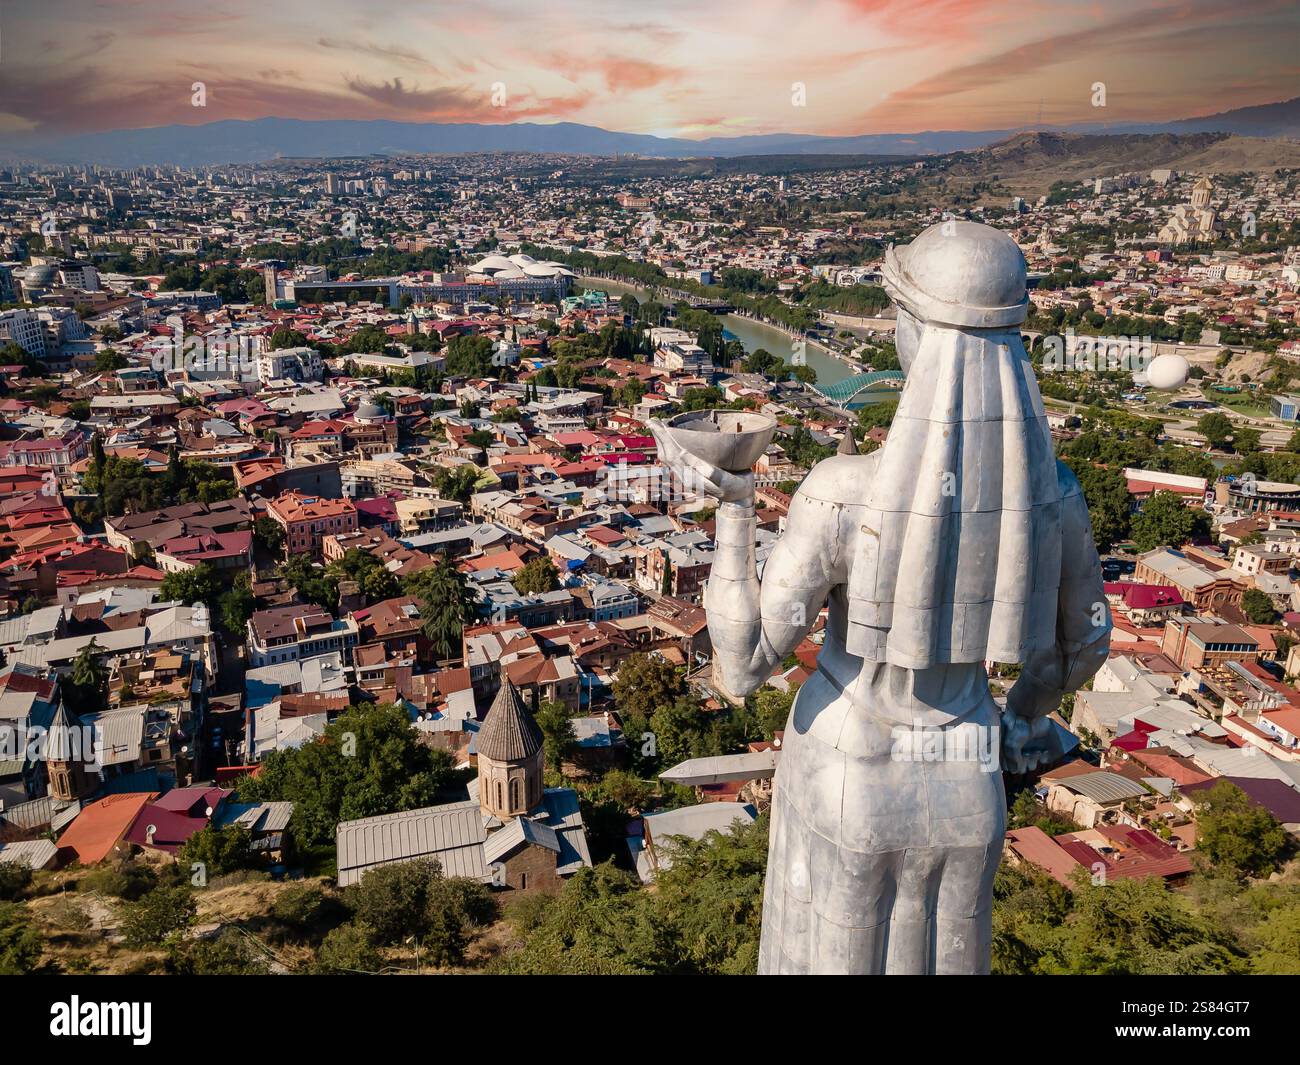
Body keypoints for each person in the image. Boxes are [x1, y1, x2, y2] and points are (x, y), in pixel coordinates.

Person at [650, 221, 1110, 974]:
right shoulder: (1055, 498)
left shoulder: (843, 493)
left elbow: (739, 664)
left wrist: (733, 506)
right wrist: (1013, 720)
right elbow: (1086, 643)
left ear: (917, 332)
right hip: (967, 776)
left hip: (847, 768)